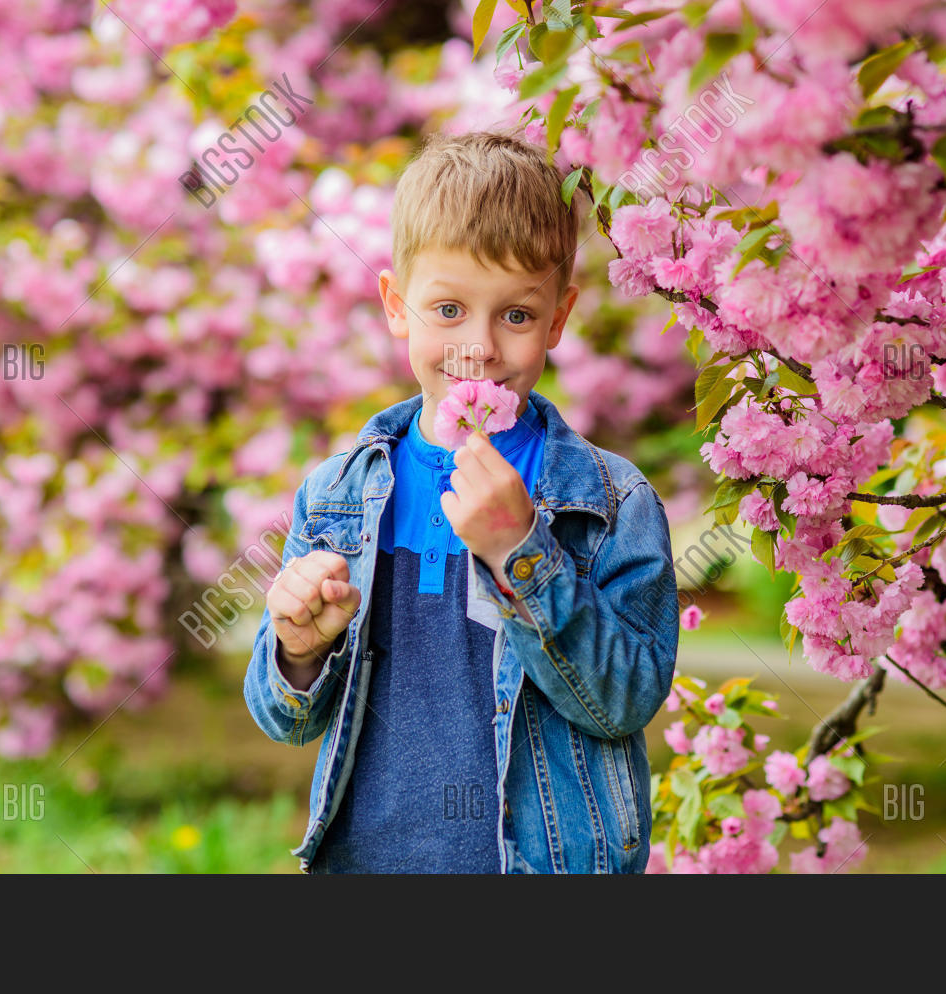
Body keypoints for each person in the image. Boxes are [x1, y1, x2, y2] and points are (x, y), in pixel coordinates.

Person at [243, 129, 679, 873]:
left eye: (515, 315)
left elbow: (623, 701)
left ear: (559, 318)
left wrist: (522, 553)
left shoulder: (610, 503)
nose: (477, 347)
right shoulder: (338, 494)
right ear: (395, 305)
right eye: (448, 310)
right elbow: (286, 719)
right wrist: (298, 648)